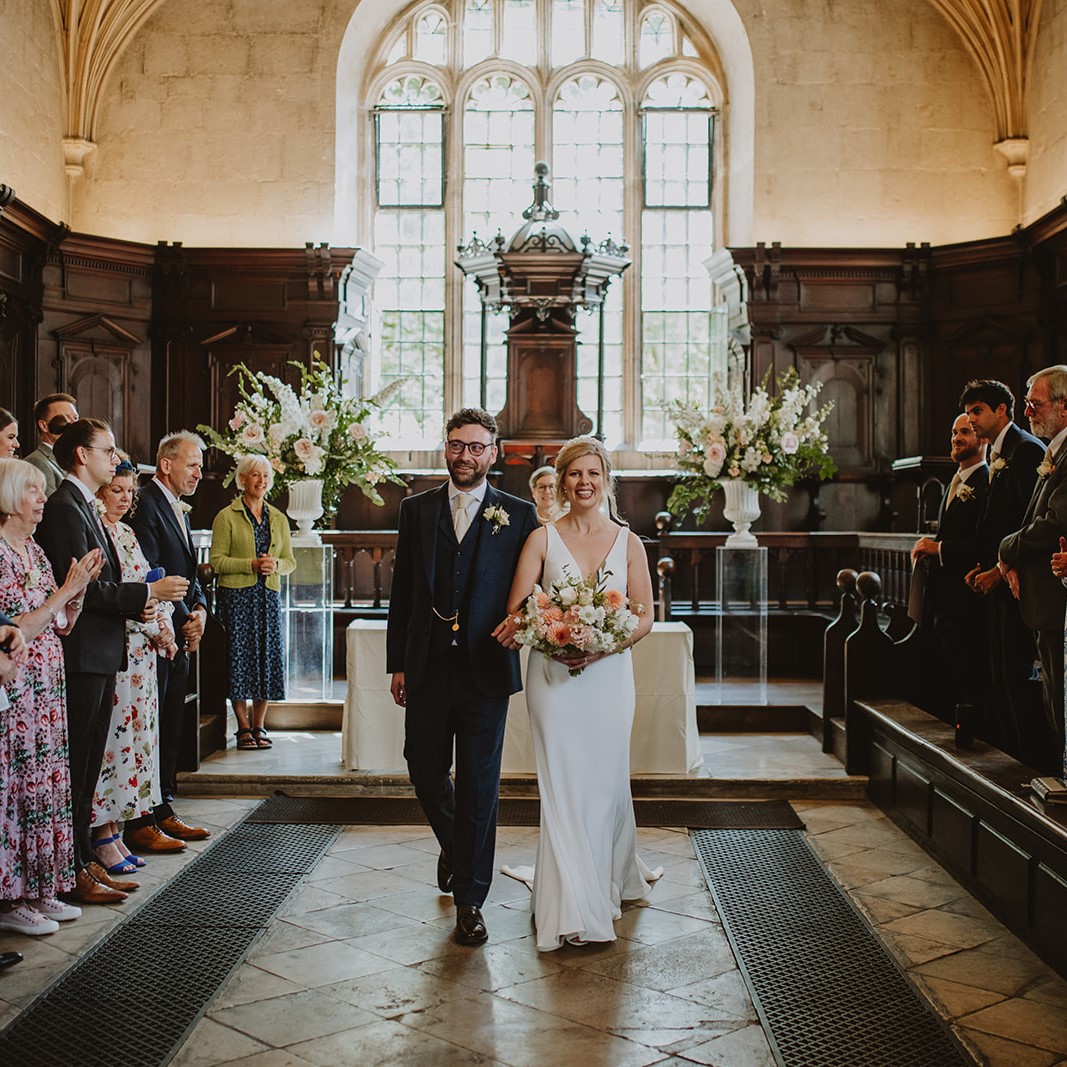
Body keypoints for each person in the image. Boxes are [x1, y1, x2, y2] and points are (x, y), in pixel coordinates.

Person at [495, 436, 660, 950]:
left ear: (605, 479)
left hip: (609, 680)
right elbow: (518, 608)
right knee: (563, 787)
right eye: (573, 474)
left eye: (592, 473)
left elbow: (645, 615)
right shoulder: (542, 540)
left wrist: (603, 644)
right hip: (553, 680)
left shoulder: (628, 542)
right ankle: (570, 902)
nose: (583, 482)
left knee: (604, 784)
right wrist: (552, 631)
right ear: (561, 481)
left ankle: (602, 877)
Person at [387, 408, 538, 946]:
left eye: (476, 447)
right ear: (445, 449)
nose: (465, 456)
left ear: (493, 453)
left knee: (479, 787)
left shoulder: (519, 515)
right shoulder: (416, 510)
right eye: (457, 445)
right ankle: (456, 845)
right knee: (423, 767)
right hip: (427, 666)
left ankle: (471, 900)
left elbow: (535, 588)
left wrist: (523, 620)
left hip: (485, 670)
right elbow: (403, 589)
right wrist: (398, 662)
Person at [35, 419, 180, 905]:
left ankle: (82, 864)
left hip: (101, 649)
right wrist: (146, 593)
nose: (114, 455)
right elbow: (82, 588)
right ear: (80, 454)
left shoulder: (84, 505)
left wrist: (137, 601)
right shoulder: (63, 508)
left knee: (88, 766)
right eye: (107, 448)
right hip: (81, 653)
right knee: (79, 767)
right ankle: (73, 868)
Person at [0, 459, 100, 933]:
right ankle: (10, 898)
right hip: (15, 689)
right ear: (9, 495)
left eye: (44, 491)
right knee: (17, 788)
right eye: (34, 490)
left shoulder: (35, 551)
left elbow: (58, 625)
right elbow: (17, 627)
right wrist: (65, 593)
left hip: (46, 689)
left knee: (46, 785)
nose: (43, 498)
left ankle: (41, 889)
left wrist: (74, 598)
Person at [90, 456, 179, 874]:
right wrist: (148, 606)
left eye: (129, 491)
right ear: (99, 492)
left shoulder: (126, 532)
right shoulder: (97, 532)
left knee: (137, 744)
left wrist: (165, 629)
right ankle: (102, 835)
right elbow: (117, 593)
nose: (124, 499)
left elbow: (150, 587)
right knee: (113, 746)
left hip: (142, 655)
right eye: (116, 490)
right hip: (118, 650)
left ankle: (120, 832)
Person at [125, 431, 211, 853]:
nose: (199, 473)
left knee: (171, 722)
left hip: (180, 627)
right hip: (157, 634)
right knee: (153, 726)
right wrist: (179, 621)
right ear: (166, 464)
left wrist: (199, 612)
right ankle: (149, 814)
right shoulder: (145, 505)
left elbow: (189, 574)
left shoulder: (177, 507)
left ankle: (164, 806)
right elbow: (152, 572)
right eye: (192, 465)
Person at [962, 378, 1047, 764]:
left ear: (1002, 411)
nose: (971, 419)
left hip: (1019, 582)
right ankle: (1011, 760)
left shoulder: (1027, 451)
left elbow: (1028, 519)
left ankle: (1030, 761)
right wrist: (983, 565)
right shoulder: (998, 452)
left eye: (977, 411)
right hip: (997, 578)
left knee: (1017, 678)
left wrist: (1000, 568)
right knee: (999, 677)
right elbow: (996, 520)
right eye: (968, 412)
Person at [999, 366, 1067, 776]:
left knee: (1060, 696)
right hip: (1047, 599)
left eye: (1034, 404)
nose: (1026, 412)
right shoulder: (1052, 451)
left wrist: (1005, 549)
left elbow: (1055, 522)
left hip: (1057, 598)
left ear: (1065, 406)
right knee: (1052, 696)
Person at [209, 454, 295, 750]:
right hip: (236, 598)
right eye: (255, 475)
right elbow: (217, 562)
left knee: (267, 658)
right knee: (238, 659)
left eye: (266, 476)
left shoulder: (279, 518)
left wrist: (275, 566)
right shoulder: (226, 516)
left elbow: (290, 562)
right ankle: (243, 727)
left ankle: (260, 725)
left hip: (267, 597)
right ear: (242, 479)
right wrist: (252, 565)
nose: (261, 481)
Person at [911, 414, 989, 722]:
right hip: (943, 596)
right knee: (945, 668)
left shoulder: (984, 483)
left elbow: (982, 542)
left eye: (965, 432)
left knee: (967, 669)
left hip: (966, 597)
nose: (956, 438)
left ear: (982, 438)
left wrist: (939, 548)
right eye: (954, 431)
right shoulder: (954, 482)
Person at [23, 393, 78, 496]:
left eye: (75, 418)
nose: (73, 424)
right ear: (44, 426)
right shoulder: (36, 462)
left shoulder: (75, 459)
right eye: (64, 418)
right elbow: (50, 507)